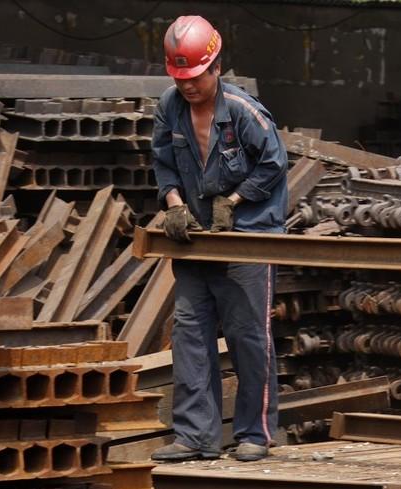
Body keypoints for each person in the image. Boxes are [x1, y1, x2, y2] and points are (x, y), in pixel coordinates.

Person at [150, 15, 288, 463]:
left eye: (194, 77)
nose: (188, 86)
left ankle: (255, 433)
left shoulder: (244, 112)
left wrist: (235, 199)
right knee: (190, 333)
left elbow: (273, 165)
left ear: (215, 66)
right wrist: (174, 203)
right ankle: (195, 436)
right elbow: (164, 163)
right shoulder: (169, 107)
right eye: (180, 78)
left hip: (248, 237)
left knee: (249, 335)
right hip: (196, 238)